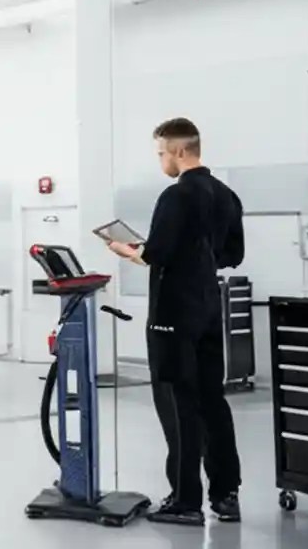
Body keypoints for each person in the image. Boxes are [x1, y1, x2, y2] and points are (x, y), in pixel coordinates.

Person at [106, 118, 244, 527]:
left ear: (180, 151)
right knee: (212, 400)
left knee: (177, 402)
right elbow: (232, 254)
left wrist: (125, 250)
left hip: (172, 315)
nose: (161, 161)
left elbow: (156, 254)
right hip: (208, 308)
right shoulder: (227, 196)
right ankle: (226, 494)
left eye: (161, 154)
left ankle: (185, 500)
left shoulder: (175, 195)